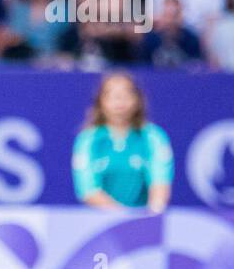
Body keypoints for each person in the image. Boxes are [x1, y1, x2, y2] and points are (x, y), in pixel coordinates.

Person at [71, 72, 173, 212]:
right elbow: (88, 189)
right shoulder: (88, 139)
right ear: (100, 101)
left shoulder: (153, 136)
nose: (119, 100)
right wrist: (123, 219)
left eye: (126, 94)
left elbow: (160, 181)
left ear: (138, 100)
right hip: (101, 224)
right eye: (112, 95)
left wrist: (151, 216)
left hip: (144, 222)